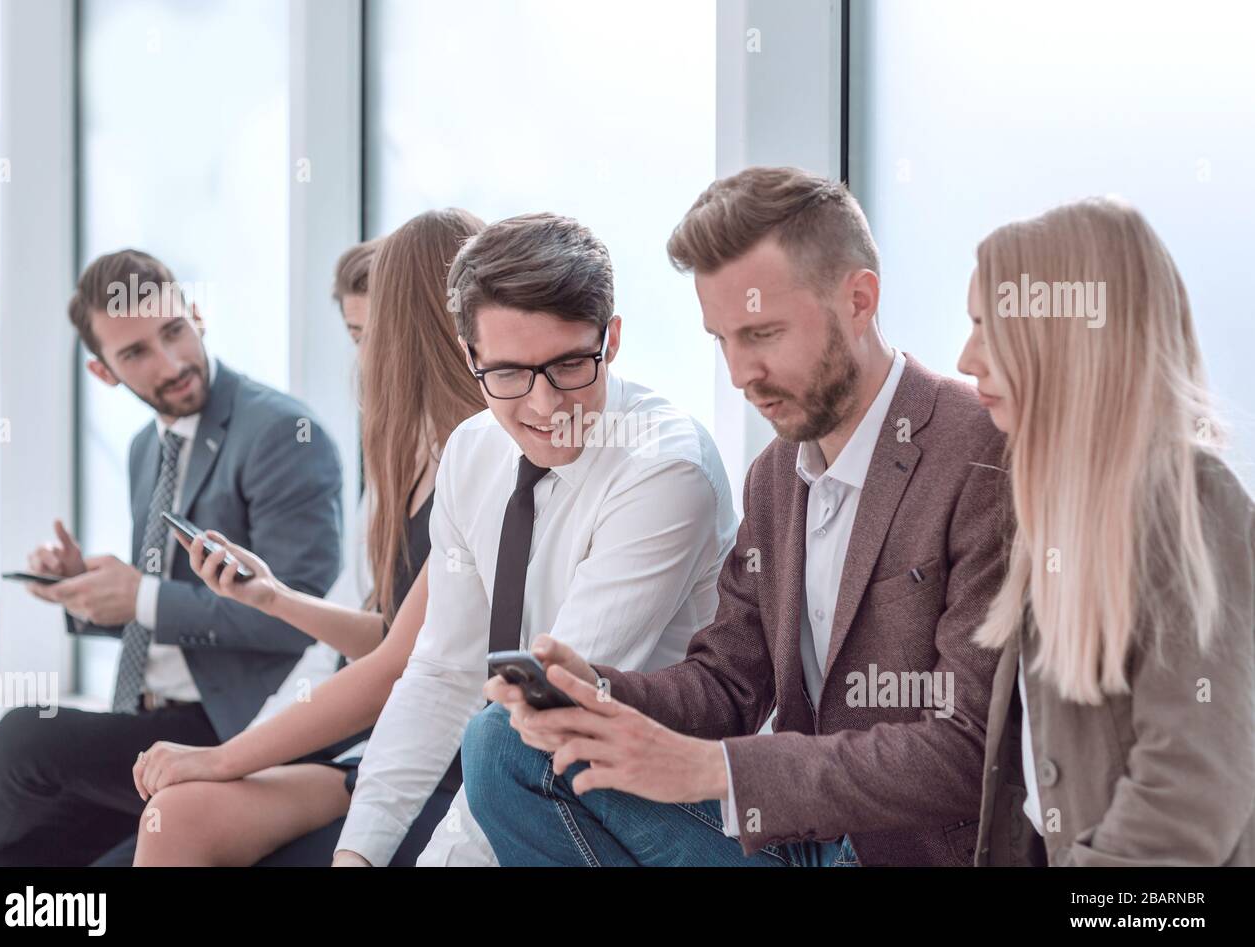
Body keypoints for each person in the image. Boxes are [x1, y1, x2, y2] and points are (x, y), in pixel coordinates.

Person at [466, 167, 1009, 866]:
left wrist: (716, 772)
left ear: (860, 300)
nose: (739, 372)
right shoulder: (777, 478)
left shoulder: (978, 452)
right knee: (504, 743)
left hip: (901, 850)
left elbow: (967, 750)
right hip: (798, 837)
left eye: (762, 333)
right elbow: (726, 686)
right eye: (721, 339)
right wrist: (596, 690)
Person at [331, 212, 739, 866]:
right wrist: (357, 856)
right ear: (470, 357)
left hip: (675, 811)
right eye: (511, 374)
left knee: (504, 736)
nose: (547, 408)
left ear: (613, 339)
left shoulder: (665, 470)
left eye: (571, 365)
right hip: (546, 778)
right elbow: (442, 671)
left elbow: (545, 716)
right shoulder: (471, 453)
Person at [123, 210, 488, 866]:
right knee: (169, 820)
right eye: (355, 335)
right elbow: (392, 634)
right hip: (377, 739)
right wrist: (273, 598)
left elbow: (397, 666)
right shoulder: (412, 458)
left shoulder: (487, 459)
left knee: (169, 813)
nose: (366, 356)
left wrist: (223, 757)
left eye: (377, 333)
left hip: (447, 754)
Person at [0, 249, 343, 866]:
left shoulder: (280, 434)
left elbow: (298, 613)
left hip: (233, 726)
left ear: (196, 315)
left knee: (21, 742)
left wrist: (139, 595)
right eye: (135, 353)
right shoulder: (146, 449)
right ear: (104, 372)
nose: (169, 363)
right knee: (22, 849)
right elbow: (166, 609)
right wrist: (89, 593)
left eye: (172, 332)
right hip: (146, 725)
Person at [958, 197, 1255, 866]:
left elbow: (1188, 797)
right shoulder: (1066, 509)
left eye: (987, 325)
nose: (966, 357)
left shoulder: (1189, 501)